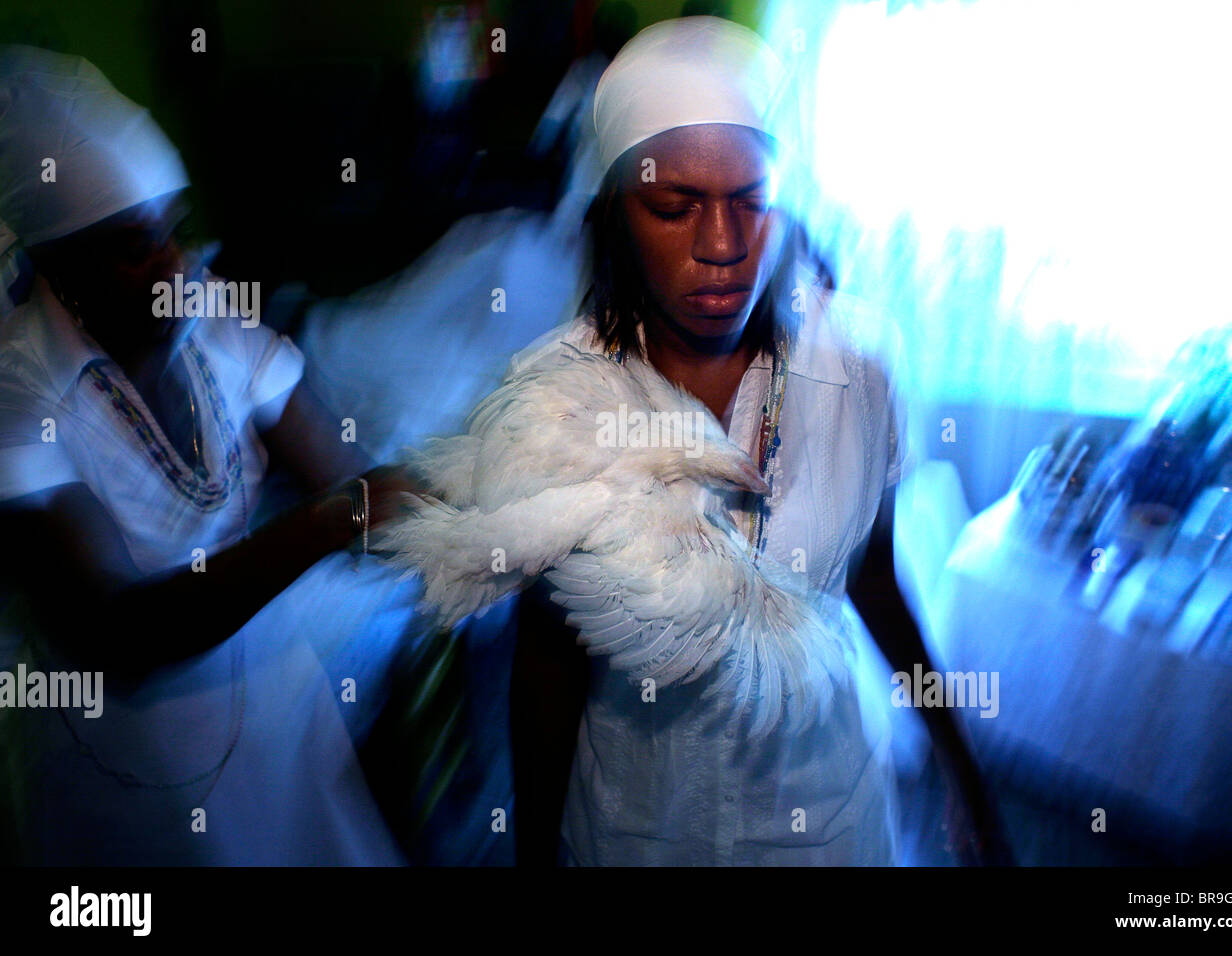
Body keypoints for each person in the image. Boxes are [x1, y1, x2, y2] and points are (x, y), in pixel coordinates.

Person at [509, 16, 1010, 866]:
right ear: (614, 215)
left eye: (753, 203)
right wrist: (531, 850)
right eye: (674, 207)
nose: (721, 248)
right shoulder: (559, 405)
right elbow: (550, 659)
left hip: (819, 816)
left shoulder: (858, 371)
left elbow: (875, 573)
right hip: (642, 828)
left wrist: (965, 770)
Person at [0, 45, 419, 864]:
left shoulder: (204, 317)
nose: (173, 269)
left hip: (260, 686)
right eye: (134, 248)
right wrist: (331, 523)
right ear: (58, 269)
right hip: (123, 744)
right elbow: (115, 634)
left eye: (175, 234)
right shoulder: (20, 398)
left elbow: (337, 465)